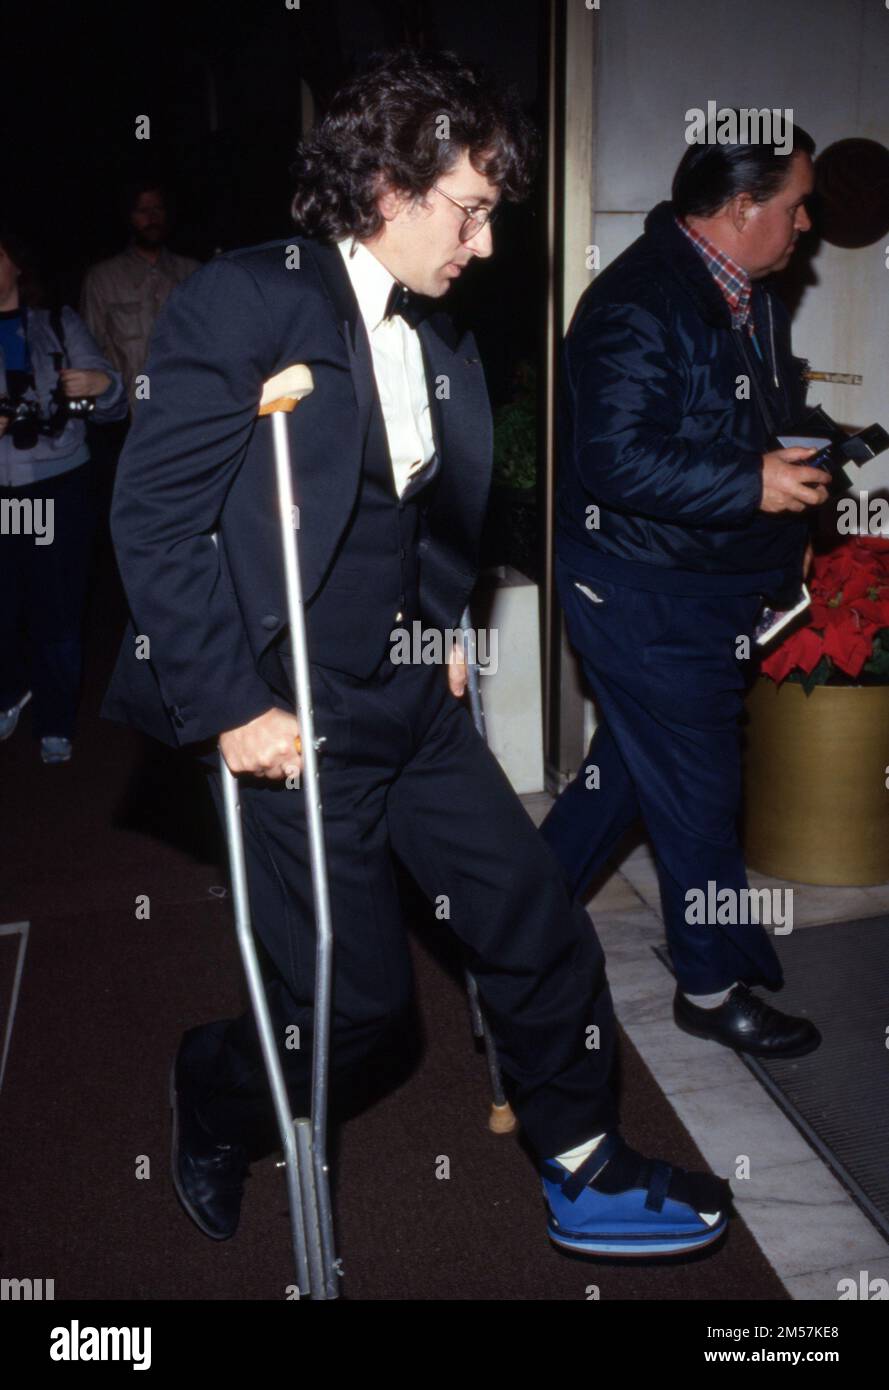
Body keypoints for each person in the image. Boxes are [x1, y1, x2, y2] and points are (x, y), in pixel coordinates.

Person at [102, 50, 732, 1263]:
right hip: (293, 711)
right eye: (473, 210)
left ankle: (584, 1163)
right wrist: (232, 705)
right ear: (387, 186)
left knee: (539, 916)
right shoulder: (248, 300)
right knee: (361, 1012)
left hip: (409, 696)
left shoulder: (437, 331)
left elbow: (435, 509)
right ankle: (219, 1086)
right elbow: (156, 518)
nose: (486, 245)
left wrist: (438, 623)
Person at [540, 123, 828, 1059]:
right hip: (640, 586)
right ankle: (709, 986)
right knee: (700, 791)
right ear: (741, 207)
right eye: (793, 206)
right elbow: (615, 458)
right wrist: (751, 482)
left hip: (694, 580)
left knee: (633, 765)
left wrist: (812, 440)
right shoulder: (636, 301)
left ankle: (508, 923)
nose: (805, 223)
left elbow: (742, 412)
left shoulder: (747, 293)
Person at [0, 232, 127, 762]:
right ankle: (9, 693)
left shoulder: (58, 323)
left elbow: (115, 404)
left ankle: (56, 721)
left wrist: (102, 385)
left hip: (58, 485)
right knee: (4, 606)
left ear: (15, 265)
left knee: (57, 610)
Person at [80, 181, 199, 408]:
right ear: (129, 217)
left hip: (186, 406)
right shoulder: (103, 278)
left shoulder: (193, 273)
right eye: (142, 211)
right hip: (128, 412)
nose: (151, 218)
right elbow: (88, 349)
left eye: (158, 209)